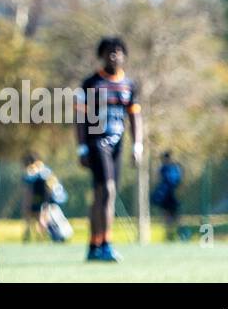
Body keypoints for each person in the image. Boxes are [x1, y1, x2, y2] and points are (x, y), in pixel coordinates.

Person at [76, 37, 143, 262]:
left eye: (117, 52)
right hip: (97, 143)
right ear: (101, 55)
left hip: (117, 145)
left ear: (124, 55)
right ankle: (106, 243)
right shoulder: (91, 83)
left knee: (100, 195)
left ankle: (94, 246)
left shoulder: (129, 85)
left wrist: (137, 145)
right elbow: (80, 118)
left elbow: (135, 116)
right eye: (109, 52)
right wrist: (82, 148)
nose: (114, 56)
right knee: (108, 191)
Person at [152, 151, 183, 241]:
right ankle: (172, 234)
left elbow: (160, 180)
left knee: (171, 216)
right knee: (171, 216)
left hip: (168, 195)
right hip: (168, 196)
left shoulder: (166, 168)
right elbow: (179, 182)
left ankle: (174, 234)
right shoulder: (173, 168)